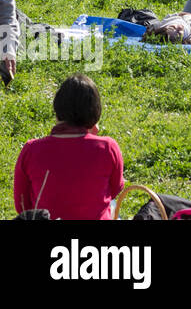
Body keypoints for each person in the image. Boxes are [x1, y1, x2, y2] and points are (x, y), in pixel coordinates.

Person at [12, 74, 124, 219]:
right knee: (113, 204)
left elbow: (22, 206)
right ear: (95, 112)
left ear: (58, 108)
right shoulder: (108, 147)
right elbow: (115, 189)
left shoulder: (31, 150)